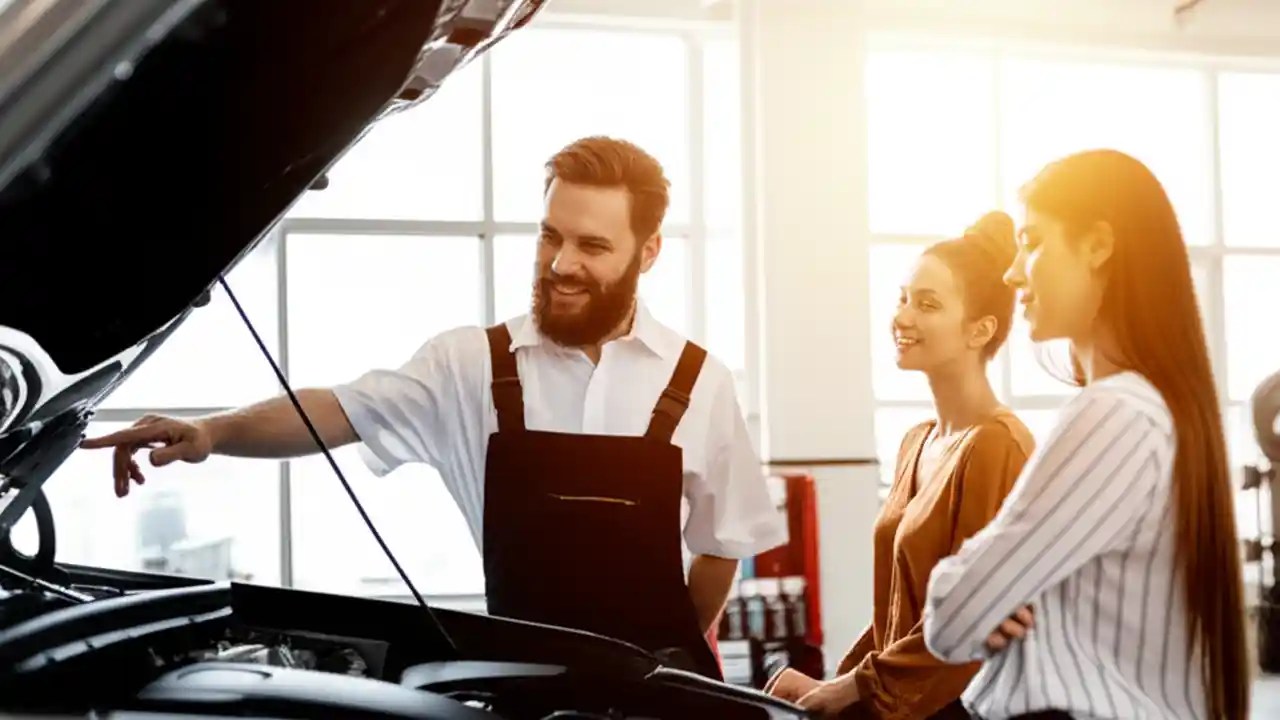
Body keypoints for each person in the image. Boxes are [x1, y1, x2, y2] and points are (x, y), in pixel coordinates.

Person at [79, 135, 787, 680]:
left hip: (661, 689)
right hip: (523, 690)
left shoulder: (699, 383)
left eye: (592, 245)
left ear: (649, 252)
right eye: (550, 235)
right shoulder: (470, 366)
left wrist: (659, 665)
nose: (561, 263)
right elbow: (337, 410)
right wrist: (212, 431)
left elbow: (720, 549)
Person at [921, 149, 1250, 720]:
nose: (1013, 271)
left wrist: (983, 589)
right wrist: (1003, 590)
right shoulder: (1156, 412)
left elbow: (952, 620)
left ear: (1098, 245)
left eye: (1034, 241)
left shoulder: (1115, 414)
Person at [767, 212, 1035, 718]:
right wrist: (832, 685)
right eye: (903, 298)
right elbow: (898, 615)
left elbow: (973, 623)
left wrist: (855, 689)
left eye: (928, 304)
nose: (903, 317)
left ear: (981, 330)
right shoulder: (917, 442)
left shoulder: (997, 447)